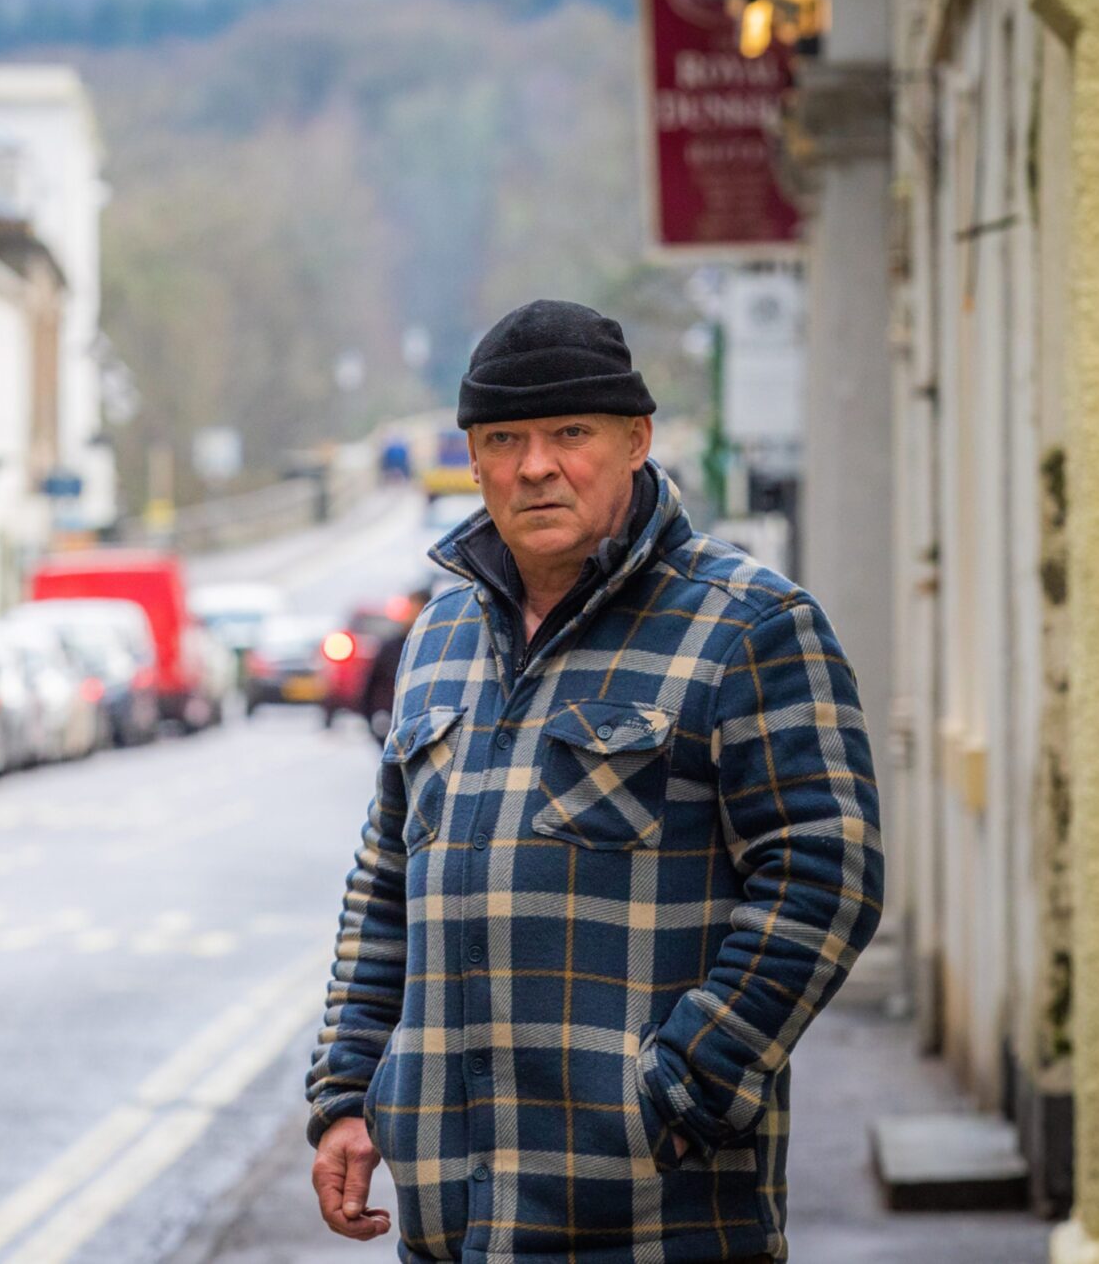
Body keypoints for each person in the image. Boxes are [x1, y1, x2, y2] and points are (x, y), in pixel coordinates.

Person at [305, 299, 883, 1263]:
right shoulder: (440, 638)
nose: (537, 465)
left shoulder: (753, 627)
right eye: (506, 438)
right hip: (452, 1230)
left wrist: (680, 1093)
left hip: (654, 1225)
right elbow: (386, 887)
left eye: (571, 432)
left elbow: (829, 878)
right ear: (476, 458)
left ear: (636, 440)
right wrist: (350, 1095)